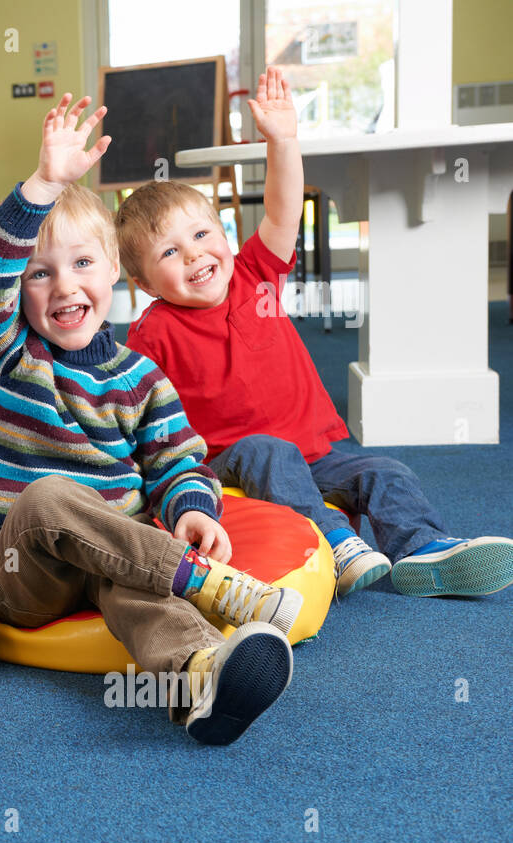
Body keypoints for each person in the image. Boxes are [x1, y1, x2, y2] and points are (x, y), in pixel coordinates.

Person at [0, 93, 304, 745]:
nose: (65, 286)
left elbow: (175, 460)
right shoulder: (2, 353)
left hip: (113, 552)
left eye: (83, 264)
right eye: (40, 274)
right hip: (17, 569)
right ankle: (206, 584)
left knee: (134, 582)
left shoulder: (140, 376)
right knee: (50, 496)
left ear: (116, 270)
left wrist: (192, 510)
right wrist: (43, 184)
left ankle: (199, 678)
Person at [120, 67, 513, 599]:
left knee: (386, 471)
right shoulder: (154, 331)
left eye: (201, 234)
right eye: (170, 252)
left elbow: (283, 212)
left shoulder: (255, 273)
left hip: (317, 450)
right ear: (143, 282)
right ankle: (334, 540)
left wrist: (283, 140)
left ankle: (424, 549)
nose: (193, 254)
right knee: (268, 452)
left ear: (223, 233)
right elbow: (137, 409)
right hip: (234, 458)